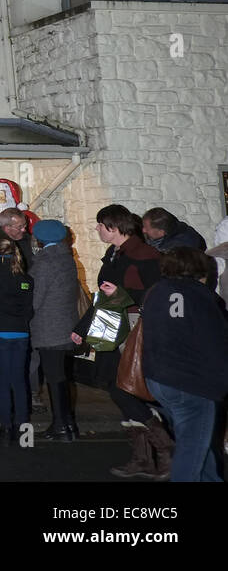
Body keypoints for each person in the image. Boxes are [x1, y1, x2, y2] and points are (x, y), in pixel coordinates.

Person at [71, 204, 169, 478]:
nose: (97, 229)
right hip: (110, 325)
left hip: (131, 328)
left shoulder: (145, 254)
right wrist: (82, 327)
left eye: (100, 225)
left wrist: (122, 294)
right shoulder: (114, 253)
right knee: (116, 386)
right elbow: (103, 296)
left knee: (123, 387)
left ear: (113, 227)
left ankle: (163, 447)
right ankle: (144, 457)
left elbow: (155, 295)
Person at [142, 247, 228, 482]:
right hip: (192, 381)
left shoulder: (156, 292)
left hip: (160, 377)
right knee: (192, 448)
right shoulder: (201, 295)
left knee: (199, 439)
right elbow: (215, 342)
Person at [27, 219, 80, 442]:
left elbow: (35, 298)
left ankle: (61, 426)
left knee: (55, 377)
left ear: (39, 238)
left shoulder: (45, 262)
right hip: (64, 323)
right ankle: (67, 424)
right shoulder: (66, 257)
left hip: (49, 327)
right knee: (60, 376)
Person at [0, 236, 34, 446]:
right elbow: (29, 311)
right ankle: (24, 432)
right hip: (21, 333)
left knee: (2, 382)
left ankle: (5, 429)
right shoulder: (26, 279)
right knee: (19, 380)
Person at [141, 207, 207, 252]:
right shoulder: (169, 228)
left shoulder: (178, 249)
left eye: (147, 228)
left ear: (161, 232)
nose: (143, 230)